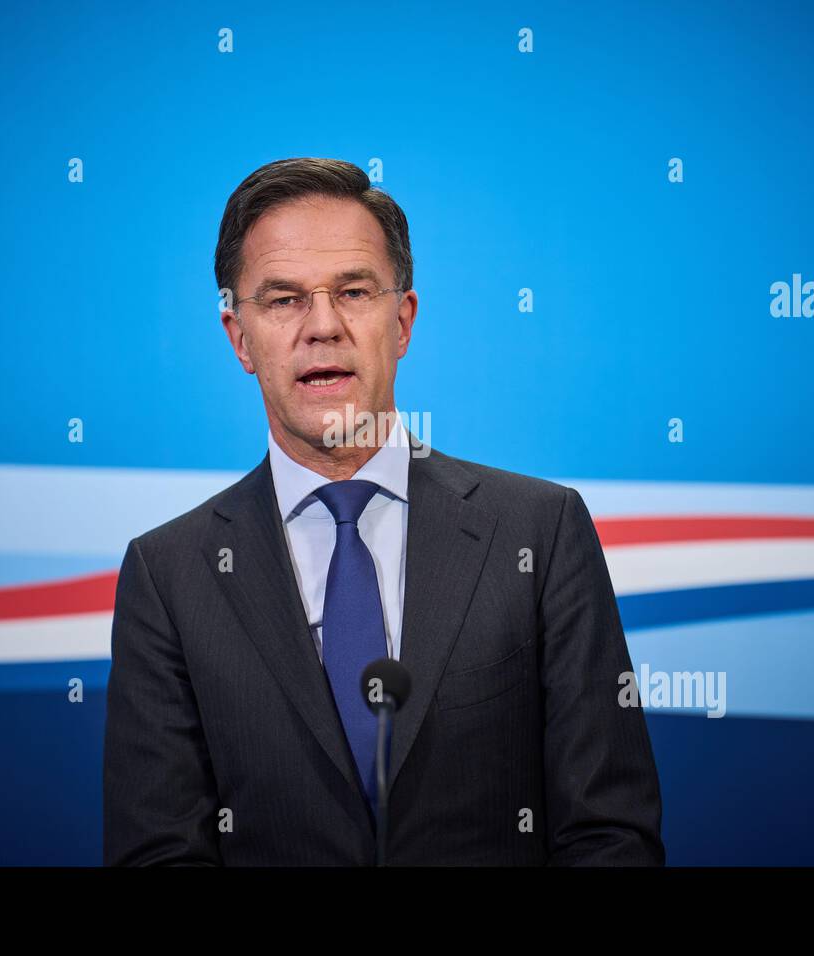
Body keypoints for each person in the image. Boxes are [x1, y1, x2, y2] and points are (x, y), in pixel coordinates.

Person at [103, 157, 665, 865]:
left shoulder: (539, 532)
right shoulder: (168, 575)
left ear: (402, 322)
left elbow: (610, 834)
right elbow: (158, 853)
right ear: (239, 338)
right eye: (283, 300)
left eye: (354, 292)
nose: (323, 327)